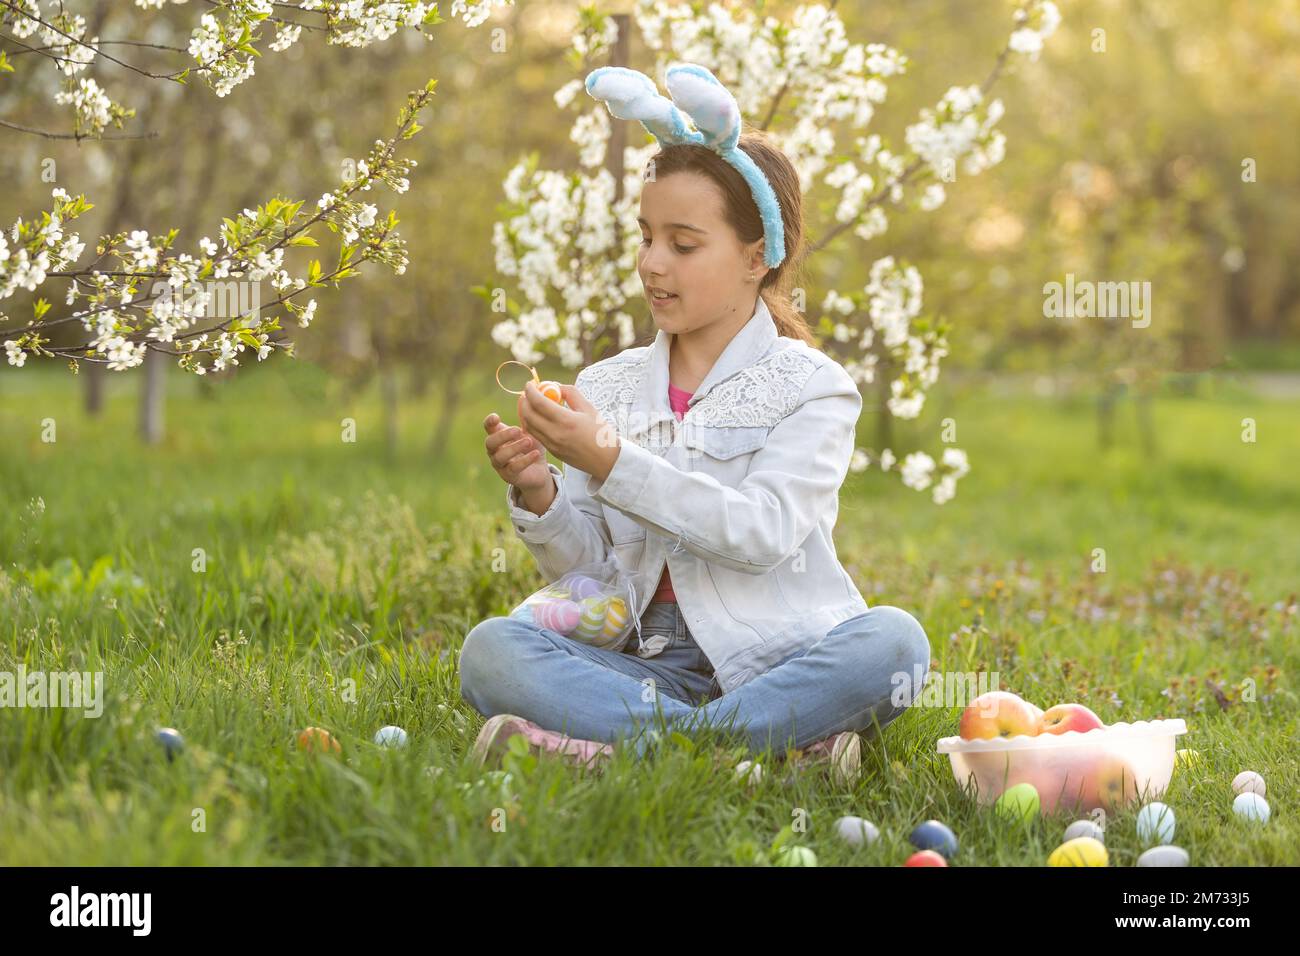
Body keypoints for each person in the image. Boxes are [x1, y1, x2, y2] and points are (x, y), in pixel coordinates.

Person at [462, 64, 930, 784]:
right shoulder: (607, 385)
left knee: (896, 644)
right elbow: (590, 577)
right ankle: (755, 755)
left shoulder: (812, 388)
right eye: (645, 237)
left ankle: (617, 751)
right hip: (639, 661)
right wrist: (539, 495)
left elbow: (762, 533)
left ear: (757, 257)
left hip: (779, 661)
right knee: (492, 651)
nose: (652, 264)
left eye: (683, 246)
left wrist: (612, 459)